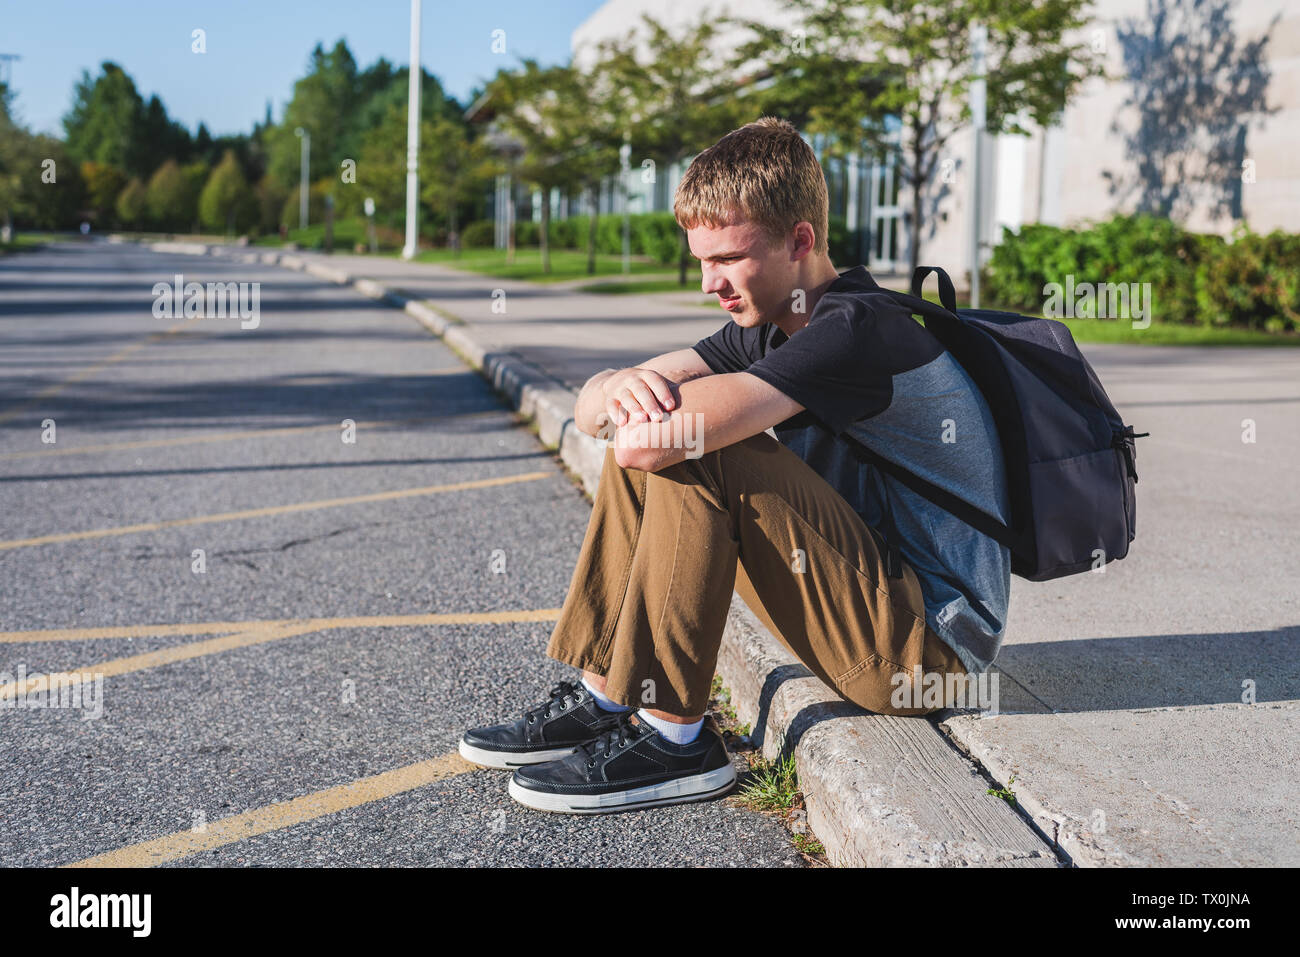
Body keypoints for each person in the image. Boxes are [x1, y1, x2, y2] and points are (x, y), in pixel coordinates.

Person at [460, 116, 1012, 814]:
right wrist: (612, 382)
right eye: (700, 261)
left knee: (697, 446)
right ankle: (609, 693)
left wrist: (635, 407)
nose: (708, 284)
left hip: (930, 652)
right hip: (872, 608)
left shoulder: (853, 330)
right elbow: (598, 409)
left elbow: (644, 441)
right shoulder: (776, 321)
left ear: (800, 240)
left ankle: (675, 739)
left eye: (726, 259)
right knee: (668, 422)